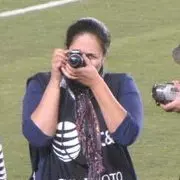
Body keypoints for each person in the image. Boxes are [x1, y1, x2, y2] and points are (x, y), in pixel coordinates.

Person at [22, 17, 143, 180]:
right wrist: (56, 79)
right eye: (77, 54)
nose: (83, 62)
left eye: (91, 56)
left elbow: (126, 135)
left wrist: (96, 83)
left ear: (103, 58)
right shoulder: (42, 84)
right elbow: (38, 137)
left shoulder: (120, 84)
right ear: (66, 51)